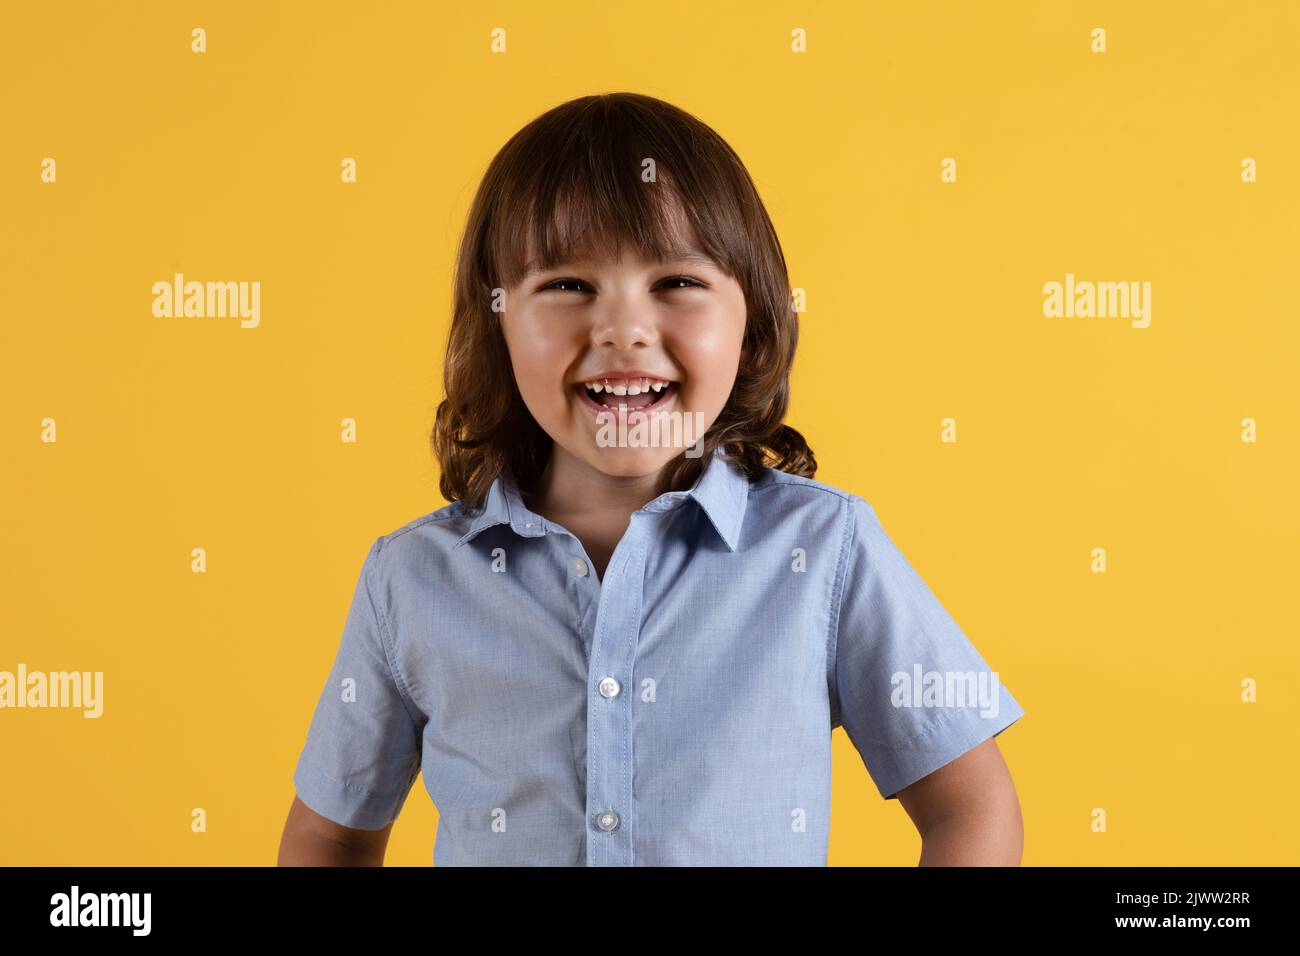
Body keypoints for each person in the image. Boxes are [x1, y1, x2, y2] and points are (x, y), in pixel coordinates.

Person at [278, 92, 1025, 866]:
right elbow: (330, 834)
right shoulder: (411, 579)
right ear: (496, 321)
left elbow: (971, 805)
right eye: (567, 285)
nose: (624, 329)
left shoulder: (826, 550)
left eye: (676, 282)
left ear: (753, 318)